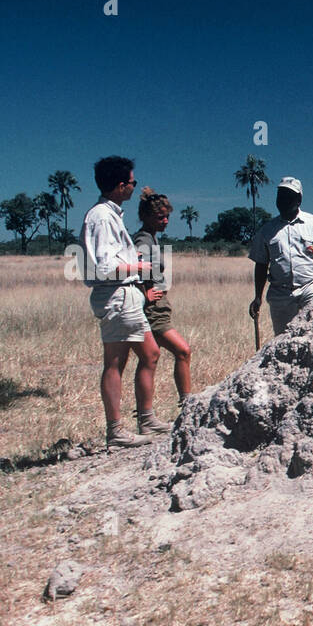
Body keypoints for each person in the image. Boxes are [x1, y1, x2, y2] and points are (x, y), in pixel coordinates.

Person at [80, 156, 170, 447]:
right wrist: (139, 268)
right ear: (120, 186)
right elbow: (103, 267)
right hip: (117, 295)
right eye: (132, 182)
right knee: (116, 363)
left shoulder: (108, 215)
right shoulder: (103, 218)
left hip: (125, 296)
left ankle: (146, 418)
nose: (134, 186)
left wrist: (133, 261)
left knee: (150, 354)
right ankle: (116, 430)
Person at [247, 177, 313, 337]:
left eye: (289, 196)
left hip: (310, 288)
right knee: (282, 340)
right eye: (281, 196)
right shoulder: (267, 231)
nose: (283, 201)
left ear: (299, 199)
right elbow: (261, 265)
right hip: (280, 293)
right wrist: (257, 297)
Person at [133, 188, 193, 405]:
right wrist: (144, 291)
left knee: (150, 359)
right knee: (182, 351)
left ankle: (146, 411)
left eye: (167, 216)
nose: (166, 221)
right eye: (160, 217)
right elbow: (133, 266)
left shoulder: (151, 238)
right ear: (145, 216)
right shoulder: (144, 240)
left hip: (158, 307)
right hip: (153, 309)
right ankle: (186, 403)